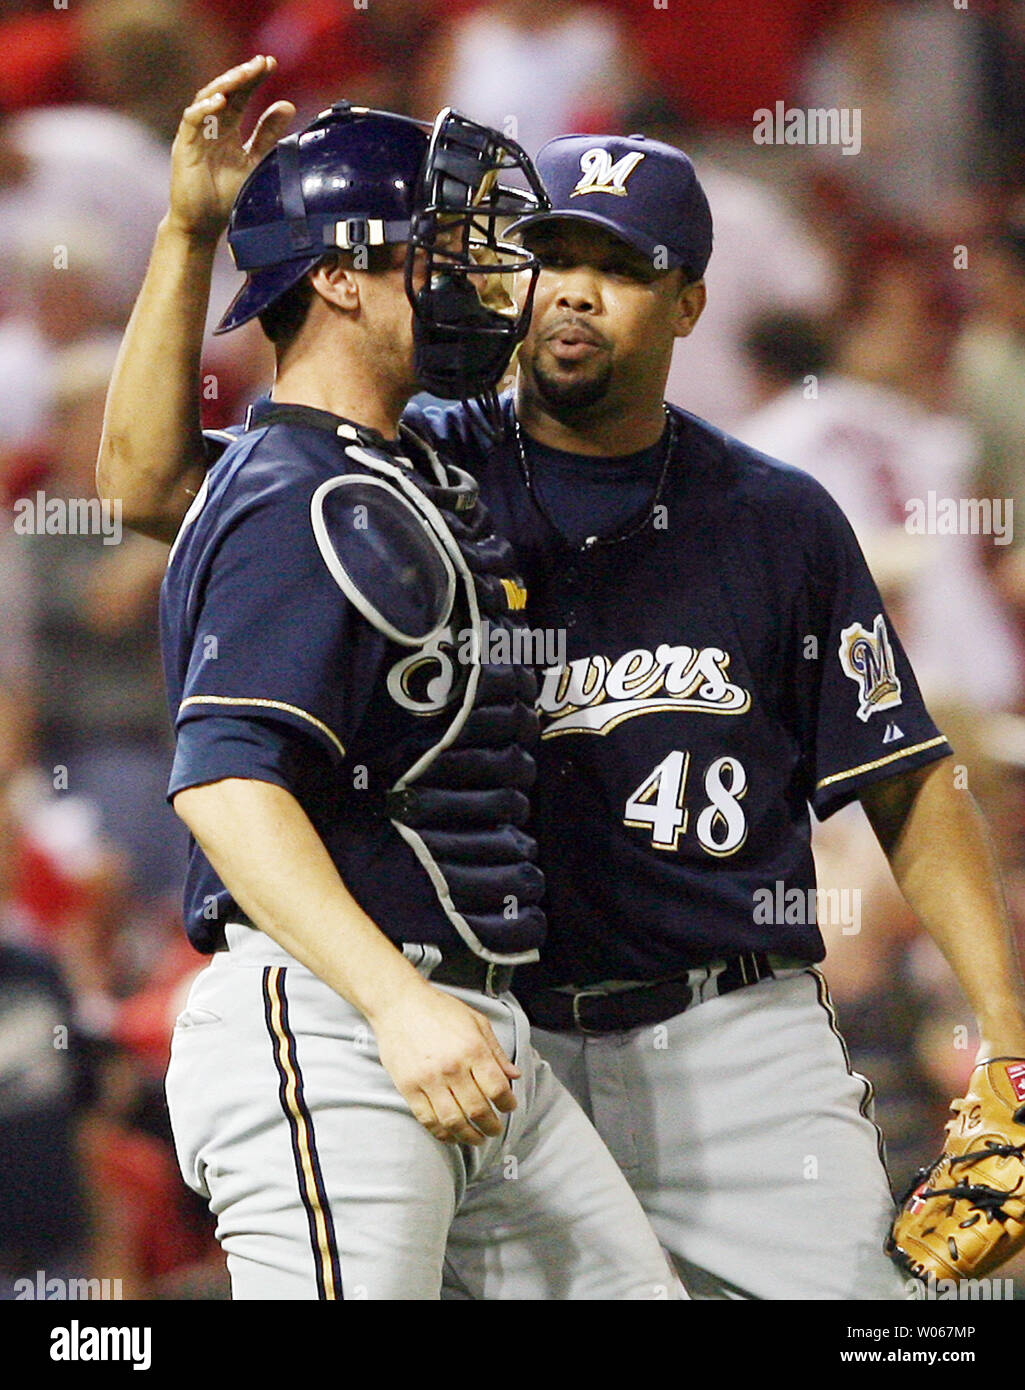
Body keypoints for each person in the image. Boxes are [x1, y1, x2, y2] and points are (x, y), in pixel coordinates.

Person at [99, 61, 1025, 1301]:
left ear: (689, 302)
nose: (571, 294)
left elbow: (906, 780)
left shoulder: (773, 517)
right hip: (483, 1025)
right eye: (552, 256)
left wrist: (1008, 1035)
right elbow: (155, 488)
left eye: (620, 266)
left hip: (719, 1033)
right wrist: (189, 235)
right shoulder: (413, 467)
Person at [104, 58, 679, 1300]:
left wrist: (192, 229)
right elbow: (225, 787)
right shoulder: (298, 500)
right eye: (439, 247)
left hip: (469, 1029)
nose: (482, 281)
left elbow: (143, 482)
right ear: (338, 276)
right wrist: (396, 1006)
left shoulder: (390, 467)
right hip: (342, 1018)